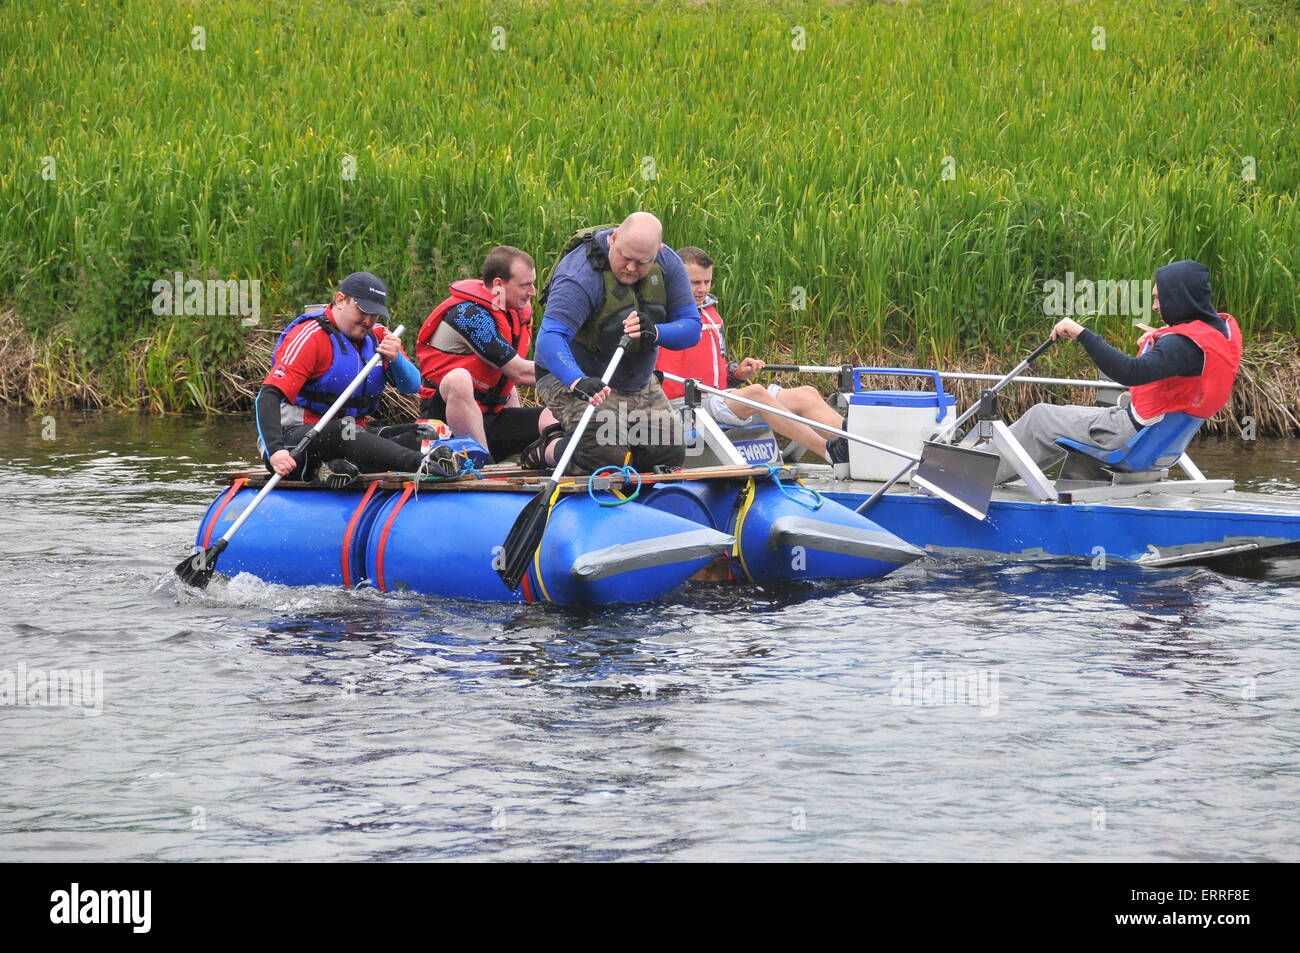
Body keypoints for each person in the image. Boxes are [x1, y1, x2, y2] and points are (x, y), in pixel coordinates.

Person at [994, 259, 1242, 483]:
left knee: (1041, 417)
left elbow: (1129, 372)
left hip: (1128, 436)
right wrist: (1159, 339)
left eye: (1159, 298)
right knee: (1079, 414)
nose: (1155, 307)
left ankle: (972, 474)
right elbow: (1181, 356)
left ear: (1180, 297)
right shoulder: (1221, 333)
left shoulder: (1181, 345)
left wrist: (1082, 334)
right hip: (1158, 444)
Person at [533, 212, 701, 474]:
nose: (631, 268)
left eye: (642, 263)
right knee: (604, 456)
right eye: (626, 257)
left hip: (637, 382)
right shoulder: (578, 275)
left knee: (667, 453)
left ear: (658, 252)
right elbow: (550, 337)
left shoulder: (669, 263)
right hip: (574, 377)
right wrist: (577, 380)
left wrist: (656, 331)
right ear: (613, 239)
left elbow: (691, 328)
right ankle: (547, 448)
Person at [656, 246, 850, 465]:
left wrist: (736, 374)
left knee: (807, 394)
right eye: (694, 283)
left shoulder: (710, 311)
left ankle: (858, 448)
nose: (702, 289)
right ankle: (829, 453)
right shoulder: (661, 312)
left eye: (707, 282)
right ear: (676, 280)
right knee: (756, 393)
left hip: (718, 398)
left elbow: (709, 364)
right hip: (682, 409)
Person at [256, 272, 452, 488]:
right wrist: (276, 451)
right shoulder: (310, 336)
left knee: (425, 433)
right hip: (295, 441)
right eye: (363, 311)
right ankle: (418, 464)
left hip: (351, 436)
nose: (368, 320)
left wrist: (396, 359)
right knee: (345, 430)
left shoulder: (378, 336)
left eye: (375, 315)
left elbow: (412, 385)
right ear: (341, 300)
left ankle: (334, 468)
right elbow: (268, 396)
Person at [416, 246, 561, 467]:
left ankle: (552, 460)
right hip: (443, 426)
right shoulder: (469, 315)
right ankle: (481, 466)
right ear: (498, 286)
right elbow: (520, 372)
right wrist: (577, 374)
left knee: (554, 416)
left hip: (489, 420)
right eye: (525, 285)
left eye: (532, 283)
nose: (532, 291)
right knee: (459, 379)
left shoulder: (513, 313)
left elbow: (508, 380)